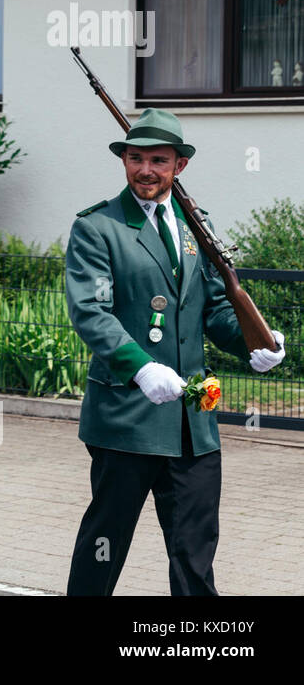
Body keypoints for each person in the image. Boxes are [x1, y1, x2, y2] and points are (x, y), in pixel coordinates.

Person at [64, 108, 285, 595]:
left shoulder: (194, 226)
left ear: (178, 166)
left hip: (193, 421)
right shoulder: (97, 227)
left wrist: (255, 344)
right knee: (105, 540)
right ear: (124, 160)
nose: (145, 169)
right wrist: (139, 367)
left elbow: (215, 310)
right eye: (135, 158)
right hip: (127, 417)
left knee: (195, 548)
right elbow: (91, 313)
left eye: (158, 160)